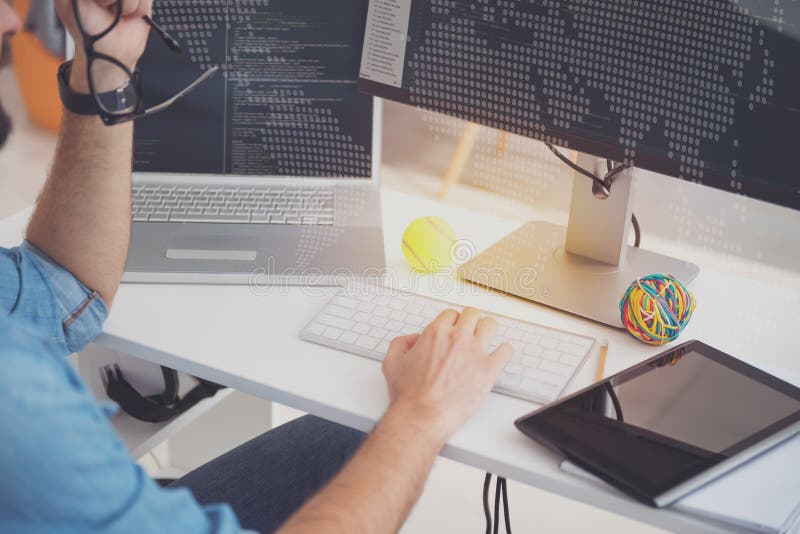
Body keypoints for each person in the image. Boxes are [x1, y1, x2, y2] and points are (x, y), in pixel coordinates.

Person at [0, 1, 512, 532]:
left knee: (350, 429)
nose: (13, 21)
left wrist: (104, 67)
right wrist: (422, 414)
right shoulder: (16, 397)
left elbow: (60, 292)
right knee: (390, 432)